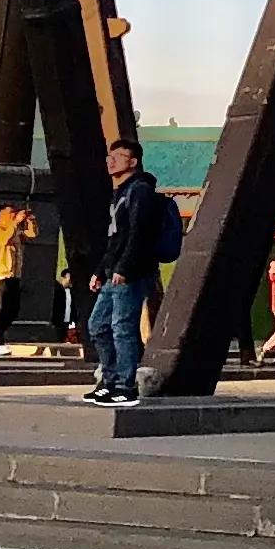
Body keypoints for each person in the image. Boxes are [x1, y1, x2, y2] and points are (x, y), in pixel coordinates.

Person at [85, 138, 177, 407]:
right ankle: (111, 381)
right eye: (109, 156)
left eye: (118, 155)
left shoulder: (140, 191)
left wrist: (124, 268)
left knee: (122, 328)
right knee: (98, 326)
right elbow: (116, 238)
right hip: (114, 272)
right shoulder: (120, 192)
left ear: (133, 161)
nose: (111, 160)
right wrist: (100, 270)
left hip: (131, 273)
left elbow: (139, 234)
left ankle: (125, 386)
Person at [0, 198, 38, 347]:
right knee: (0, 309)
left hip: (14, 275)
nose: (13, 215)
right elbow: (5, 239)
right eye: (10, 213)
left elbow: (31, 235)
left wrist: (31, 220)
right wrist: (16, 222)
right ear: (1, 216)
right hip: (0, 274)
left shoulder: (15, 231)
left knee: (13, 310)